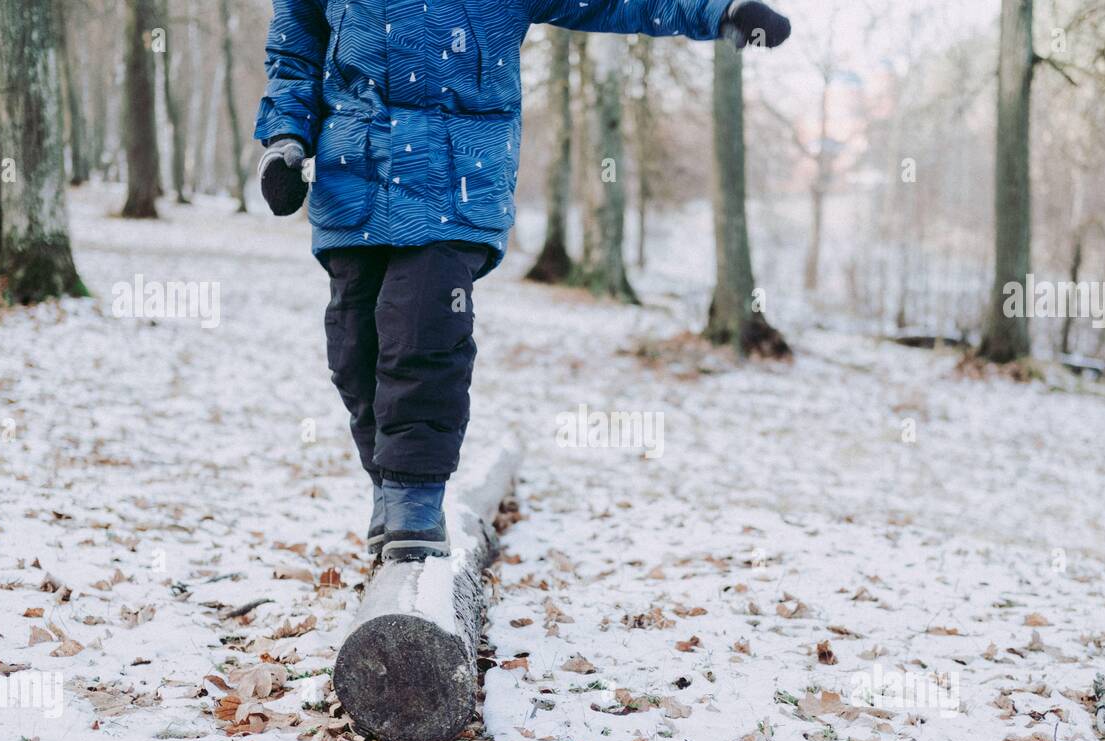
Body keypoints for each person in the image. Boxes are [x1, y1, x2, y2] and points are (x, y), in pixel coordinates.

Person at [254, 0, 791, 564]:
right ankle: (388, 488)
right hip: (353, 179)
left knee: (421, 330)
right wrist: (286, 140)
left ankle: (415, 499)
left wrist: (721, 12)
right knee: (353, 348)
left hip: (454, 181)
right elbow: (295, 53)